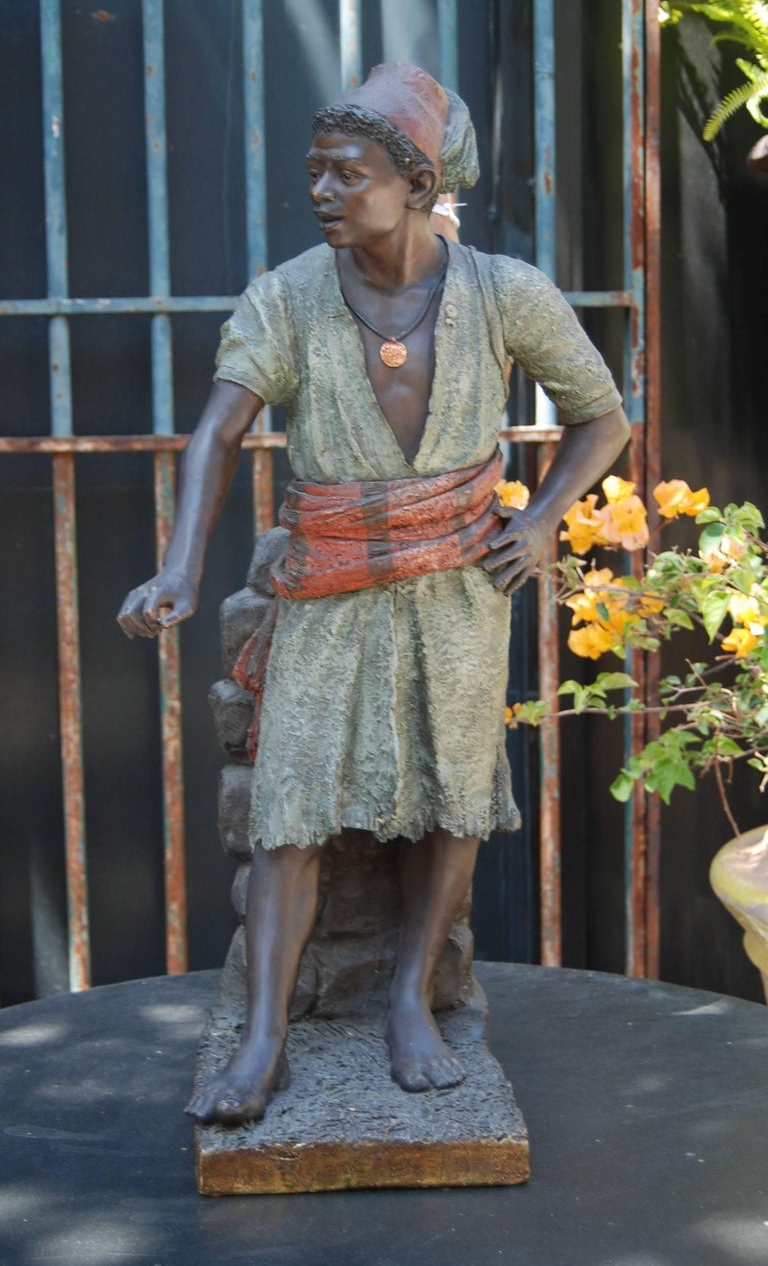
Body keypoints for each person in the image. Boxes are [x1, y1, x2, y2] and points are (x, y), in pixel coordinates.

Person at [118, 63, 629, 1126]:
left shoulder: (505, 293)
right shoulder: (290, 296)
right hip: (331, 583)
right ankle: (264, 1040)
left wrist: (536, 525)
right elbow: (217, 430)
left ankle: (410, 998)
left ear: (416, 179)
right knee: (290, 810)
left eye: (344, 173)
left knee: (452, 793)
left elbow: (604, 414)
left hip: (458, 584)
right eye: (314, 171)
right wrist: (176, 565)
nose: (320, 190)